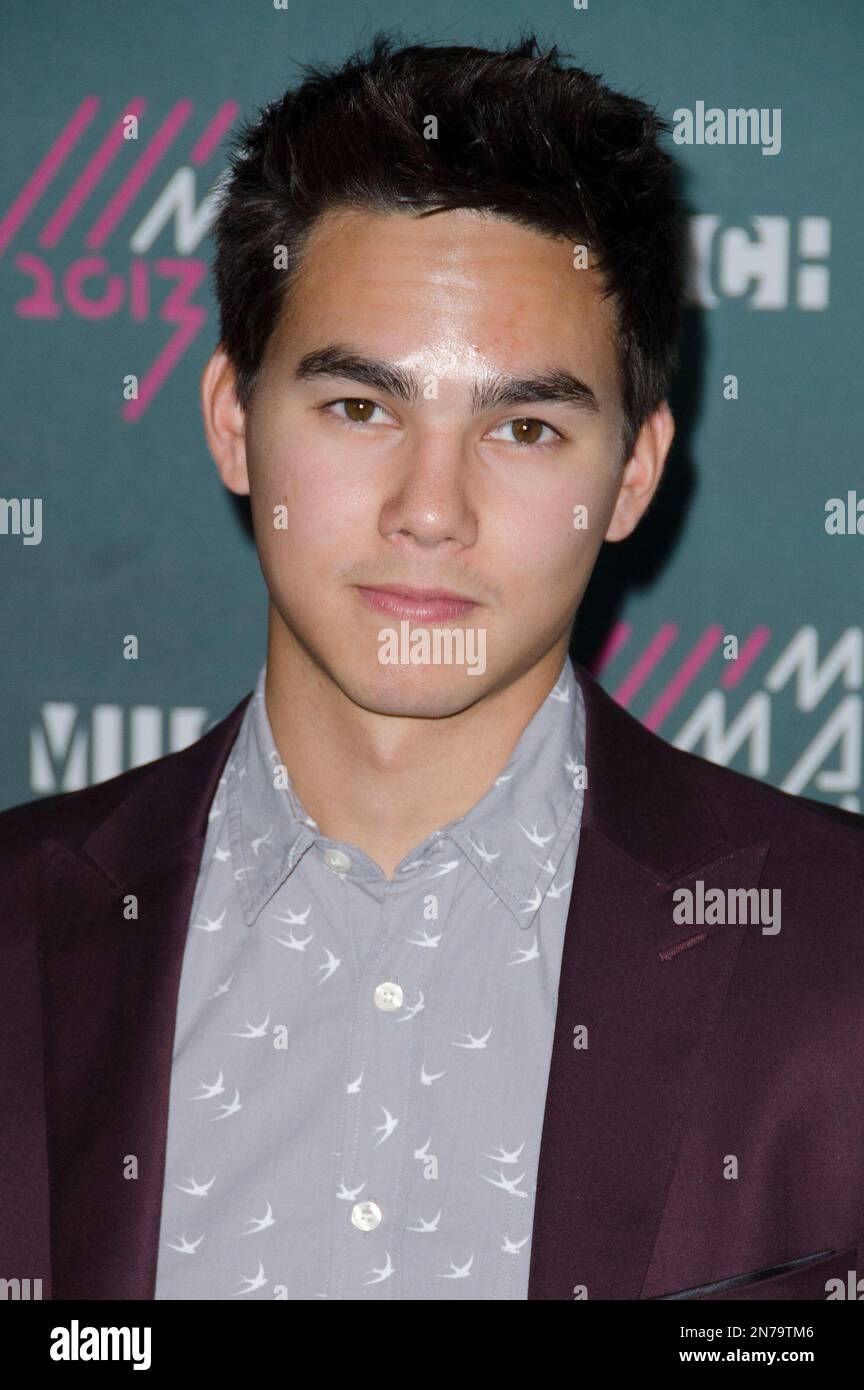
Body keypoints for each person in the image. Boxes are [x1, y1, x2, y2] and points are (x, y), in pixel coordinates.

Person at [2, 32, 862, 1302]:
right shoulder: (21, 933)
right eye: (361, 408)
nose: (430, 509)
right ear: (235, 421)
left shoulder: (838, 956)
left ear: (631, 473)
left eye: (522, 426)